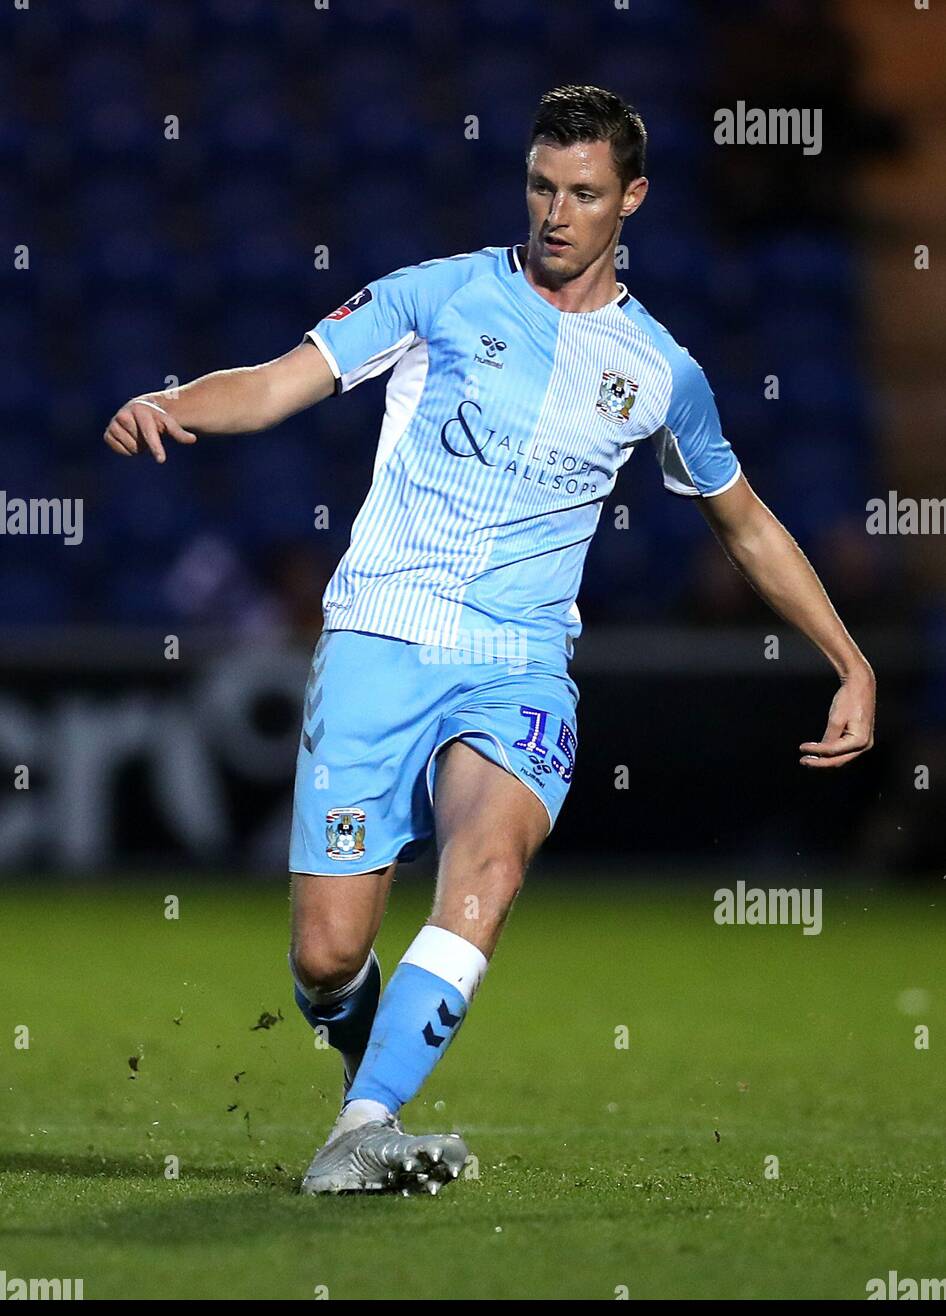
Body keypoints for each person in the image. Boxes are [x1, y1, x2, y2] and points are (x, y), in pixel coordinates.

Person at [104, 85, 875, 1196]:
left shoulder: (661, 370)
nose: (556, 213)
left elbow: (742, 521)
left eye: (585, 193)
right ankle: (360, 1079)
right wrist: (172, 399)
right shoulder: (435, 295)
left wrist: (847, 659)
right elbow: (278, 384)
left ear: (632, 199)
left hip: (519, 663)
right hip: (379, 635)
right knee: (325, 956)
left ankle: (363, 1124)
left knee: (491, 863)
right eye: (541, 186)